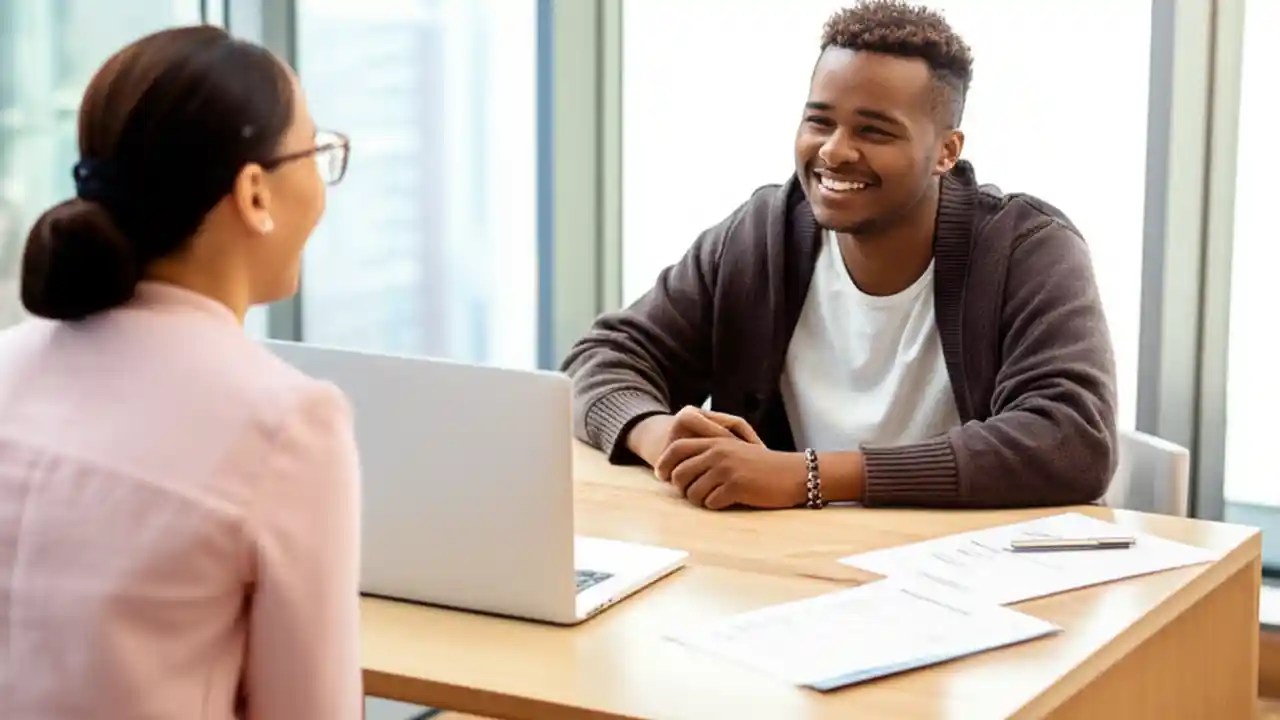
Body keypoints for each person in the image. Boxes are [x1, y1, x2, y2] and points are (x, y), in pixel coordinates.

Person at [563, 0, 1117, 511]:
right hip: (792, 569)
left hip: (970, 578)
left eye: (874, 131)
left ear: (946, 151)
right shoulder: (762, 235)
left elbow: (1070, 439)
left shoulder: (1026, 249)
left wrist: (806, 477)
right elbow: (603, 357)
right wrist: (659, 437)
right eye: (820, 121)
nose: (833, 150)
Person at [0, 26, 360, 719]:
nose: (322, 183)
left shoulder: (6, 365)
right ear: (254, 194)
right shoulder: (287, 424)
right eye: (317, 151)